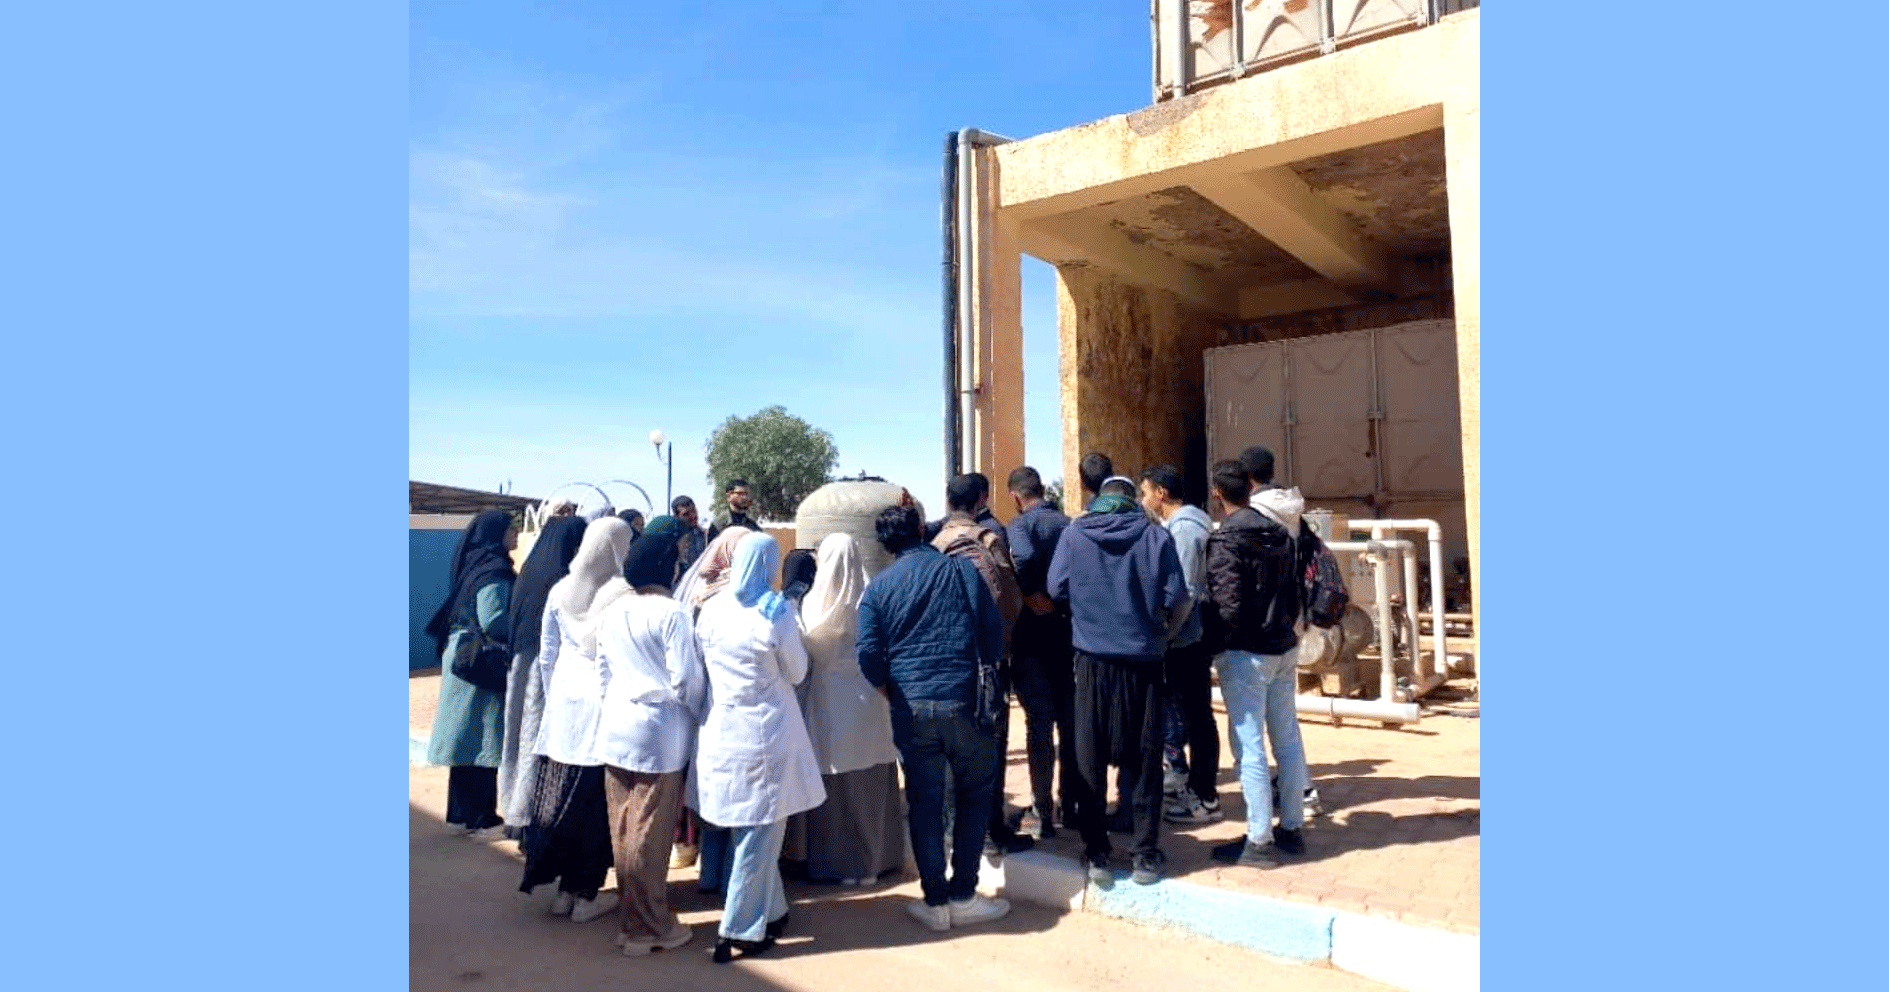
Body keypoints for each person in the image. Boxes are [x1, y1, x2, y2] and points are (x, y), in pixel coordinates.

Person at [857, 505, 1012, 932]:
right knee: (974, 796)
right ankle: (964, 893)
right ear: (923, 531)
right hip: (967, 703)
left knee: (925, 805)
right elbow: (992, 632)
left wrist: (890, 688)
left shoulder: (878, 589)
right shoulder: (962, 573)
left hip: (912, 708)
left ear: (885, 544)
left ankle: (936, 902)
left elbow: (868, 653)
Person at [1047, 477, 1190, 885]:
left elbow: (1056, 587)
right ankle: (1144, 854)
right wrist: (1163, 635)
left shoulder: (1075, 535)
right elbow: (1179, 597)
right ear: (1131, 501)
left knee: (1089, 757)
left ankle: (1096, 854)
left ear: (1098, 501)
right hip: (1144, 661)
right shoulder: (1155, 536)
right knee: (1145, 759)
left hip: (1091, 662)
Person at [690, 532, 825, 963]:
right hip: (764, 734)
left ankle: (773, 910)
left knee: (754, 829)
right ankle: (739, 931)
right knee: (760, 833)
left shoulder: (710, 609)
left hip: (721, 730)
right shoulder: (774, 612)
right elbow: (799, 671)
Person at [593, 515, 707, 956]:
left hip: (617, 725)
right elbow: (685, 681)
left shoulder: (614, 610)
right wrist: (697, 717)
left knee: (622, 826)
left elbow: (603, 672)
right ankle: (649, 926)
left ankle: (632, 918)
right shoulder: (672, 613)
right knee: (651, 832)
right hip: (660, 732)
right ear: (666, 567)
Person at [522, 517, 637, 924]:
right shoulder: (622, 593)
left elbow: (547, 652)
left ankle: (564, 892)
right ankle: (587, 893)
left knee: (562, 801)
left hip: (564, 704)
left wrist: (555, 704)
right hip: (601, 703)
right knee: (593, 804)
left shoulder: (560, 589)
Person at [1202, 458, 1310, 867]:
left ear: (1217, 493)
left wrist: (1213, 646)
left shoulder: (1227, 539)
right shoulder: (1281, 533)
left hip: (1247, 654)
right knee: (1287, 738)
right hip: (1284, 646)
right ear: (1249, 488)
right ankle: (1292, 828)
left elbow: (1226, 605)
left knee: (1249, 746)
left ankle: (1259, 840)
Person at [797, 533, 906, 885]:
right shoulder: (872, 597)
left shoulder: (814, 603)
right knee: (873, 777)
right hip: (870, 698)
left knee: (837, 781)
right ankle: (877, 861)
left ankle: (840, 866)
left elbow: (810, 649)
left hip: (830, 699)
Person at [931, 473, 1029, 857]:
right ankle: (989, 833)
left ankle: (953, 832)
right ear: (982, 499)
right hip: (986, 663)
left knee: (952, 752)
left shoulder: (935, 544)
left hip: (947, 663)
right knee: (989, 748)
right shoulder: (988, 540)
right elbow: (1008, 599)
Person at [1238, 445, 1323, 821]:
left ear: (1246, 477)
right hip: (1292, 619)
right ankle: (1303, 793)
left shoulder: (1253, 514)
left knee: (1252, 731)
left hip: (1262, 625)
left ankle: (1261, 830)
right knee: (1285, 723)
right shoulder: (1291, 508)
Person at [425, 509, 519, 840]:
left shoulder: (473, 565)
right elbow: (493, 619)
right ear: (497, 534)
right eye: (512, 528)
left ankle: (459, 814)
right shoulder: (494, 572)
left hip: (463, 657)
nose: (517, 534)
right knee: (483, 737)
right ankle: (483, 818)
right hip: (480, 662)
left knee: (464, 739)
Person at [667, 524, 755, 877]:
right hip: (713, 699)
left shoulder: (697, 589)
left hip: (699, 701)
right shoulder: (733, 595)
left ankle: (703, 865)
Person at [1137, 465, 1221, 826]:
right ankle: (1190, 784)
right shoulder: (1187, 525)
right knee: (1189, 713)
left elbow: (1183, 592)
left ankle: (1204, 797)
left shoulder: (1185, 530)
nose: (1143, 499)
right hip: (1187, 636)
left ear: (1161, 493)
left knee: (1198, 717)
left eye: (1145, 492)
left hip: (1186, 639)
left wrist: (1166, 635)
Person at [499, 515, 588, 834]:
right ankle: (524, 816)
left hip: (519, 661)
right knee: (536, 735)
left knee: (516, 734)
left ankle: (512, 807)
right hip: (542, 664)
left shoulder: (530, 570)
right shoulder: (561, 578)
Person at [1005, 466, 1079, 840]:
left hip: (1031, 639)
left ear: (1017, 496)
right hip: (1067, 636)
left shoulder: (1019, 526)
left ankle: (1042, 810)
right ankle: (1072, 804)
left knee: (1039, 724)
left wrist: (1034, 594)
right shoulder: (1069, 523)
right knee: (1069, 724)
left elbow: (1024, 559)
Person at [672, 496, 708, 578]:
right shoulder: (672, 539)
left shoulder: (705, 535)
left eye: (694, 511)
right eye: (686, 514)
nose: (693, 516)